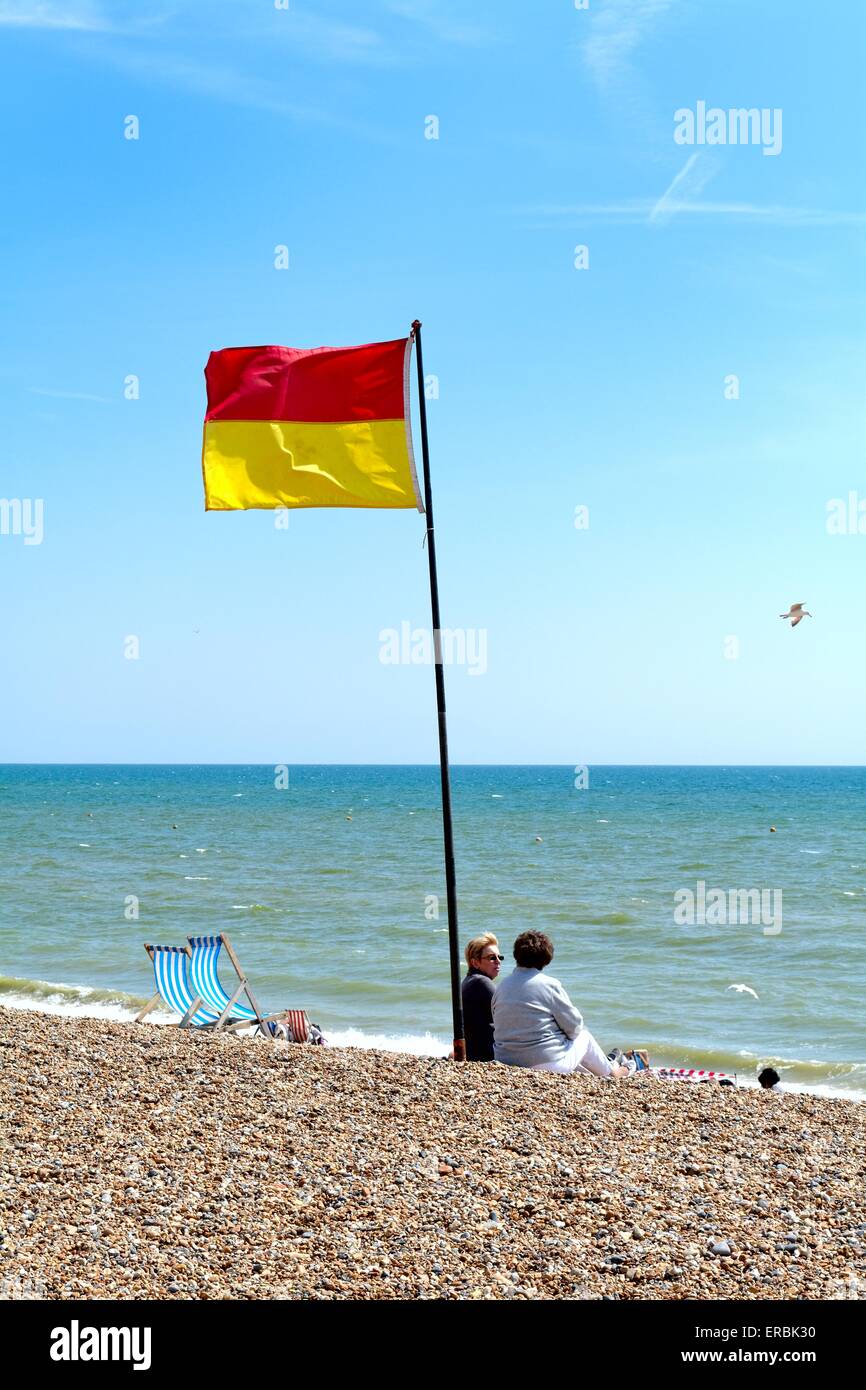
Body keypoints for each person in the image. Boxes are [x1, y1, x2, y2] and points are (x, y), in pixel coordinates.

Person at [493, 931, 629, 1078]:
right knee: (584, 1037)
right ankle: (614, 1073)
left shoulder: (501, 987)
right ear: (546, 958)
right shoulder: (549, 985)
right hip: (544, 1063)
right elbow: (574, 1027)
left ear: (516, 955)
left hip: (506, 1062)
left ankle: (594, 1071)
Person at [461, 933, 502, 1062]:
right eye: (491, 958)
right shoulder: (482, 982)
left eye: (499, 956)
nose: (498, 961)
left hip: (474, 1052)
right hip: (485, 1055)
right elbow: (507, 1015)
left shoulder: (469, 981)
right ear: (475, 962)